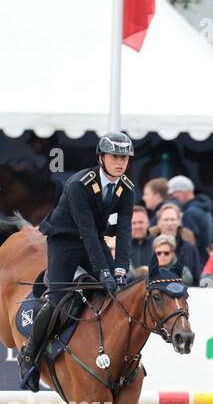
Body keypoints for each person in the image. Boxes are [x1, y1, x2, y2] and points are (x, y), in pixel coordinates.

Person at [21, 132, 135, 390]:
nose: (120, 162)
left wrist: (120, 268)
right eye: (115, 156)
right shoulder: (79, 183)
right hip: (64, 239)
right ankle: (30, 354)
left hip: (92, 241)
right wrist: (104, 270)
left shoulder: (126, 187)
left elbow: (125, 230)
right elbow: (87, 230)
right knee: (57, 298)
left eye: (125, 157)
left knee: (115, 292)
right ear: (101, 157)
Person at [151, 202, 202, 280]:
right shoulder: (149, 245)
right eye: (166, 220)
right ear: (159, 222)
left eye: (172, 219)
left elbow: (197, 276)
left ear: (178, 222)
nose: (169, 223)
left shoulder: (189, 248)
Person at [168, 175, 213, 253]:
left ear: (183, 192)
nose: (171, 199)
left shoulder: (190, 213)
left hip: (196, 260)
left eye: (172, 195)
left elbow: (188, 244)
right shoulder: (203, 208)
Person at [127, 205, 153, 270]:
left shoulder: (157, 244)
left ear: (148, 223)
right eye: (133, 223)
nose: (138, 227)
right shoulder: (122, 246)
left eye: (141, 222)